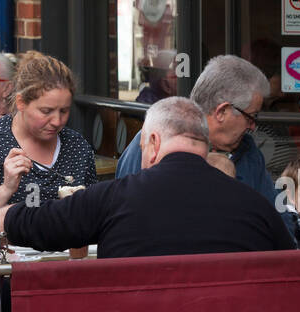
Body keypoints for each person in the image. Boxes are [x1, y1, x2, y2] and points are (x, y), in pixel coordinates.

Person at [0, 97, 295, 257]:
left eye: (140, 147)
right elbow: (290, 265)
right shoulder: (255, 207)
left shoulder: (113, 198)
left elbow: (41, 226)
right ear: (204, 145)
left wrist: (2, 215)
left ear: (152, 142)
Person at [0, 50, 97, 217]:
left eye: (64, 111)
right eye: (46, 111)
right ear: (21, 102)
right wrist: (5, 190)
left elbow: (94, 215)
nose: (56, 121)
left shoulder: (77, 147)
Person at [116, 55, 278, 206]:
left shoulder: (248, 151)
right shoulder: (152, 142)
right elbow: (130, 216)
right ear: (222, 112)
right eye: (251, 117)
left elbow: (275, 217)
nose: (252, 126)